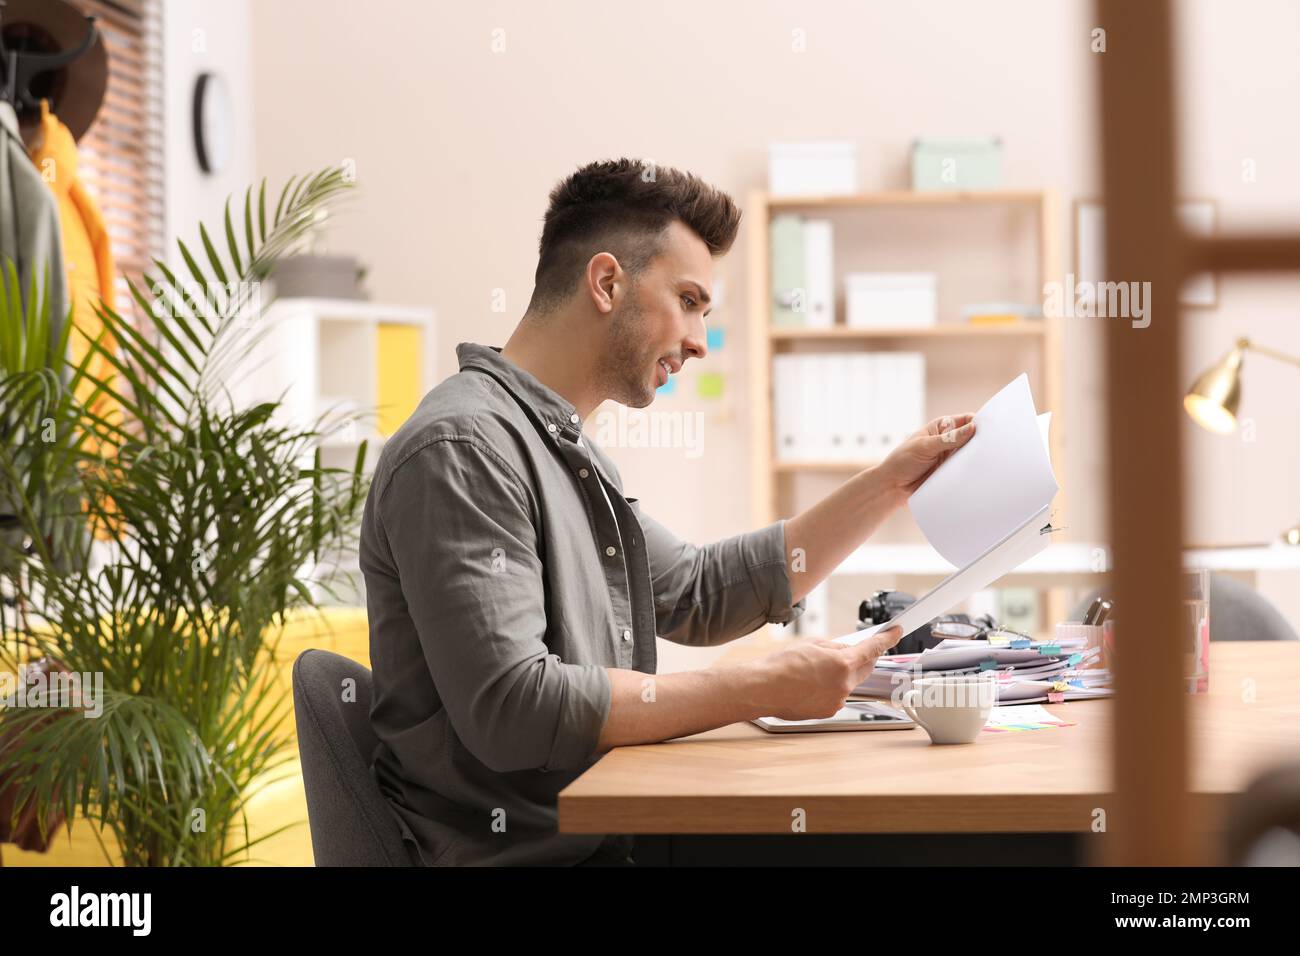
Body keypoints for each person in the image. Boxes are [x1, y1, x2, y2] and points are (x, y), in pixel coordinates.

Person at [359, 158, 975, 866]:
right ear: (607, 282)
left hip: (607, 836)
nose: (698, 341)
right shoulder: (463, 451)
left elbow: (700, 591)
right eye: (689, 301)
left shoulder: (560, 452)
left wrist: (892, 483)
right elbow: (514, 709)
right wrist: (755, 688)